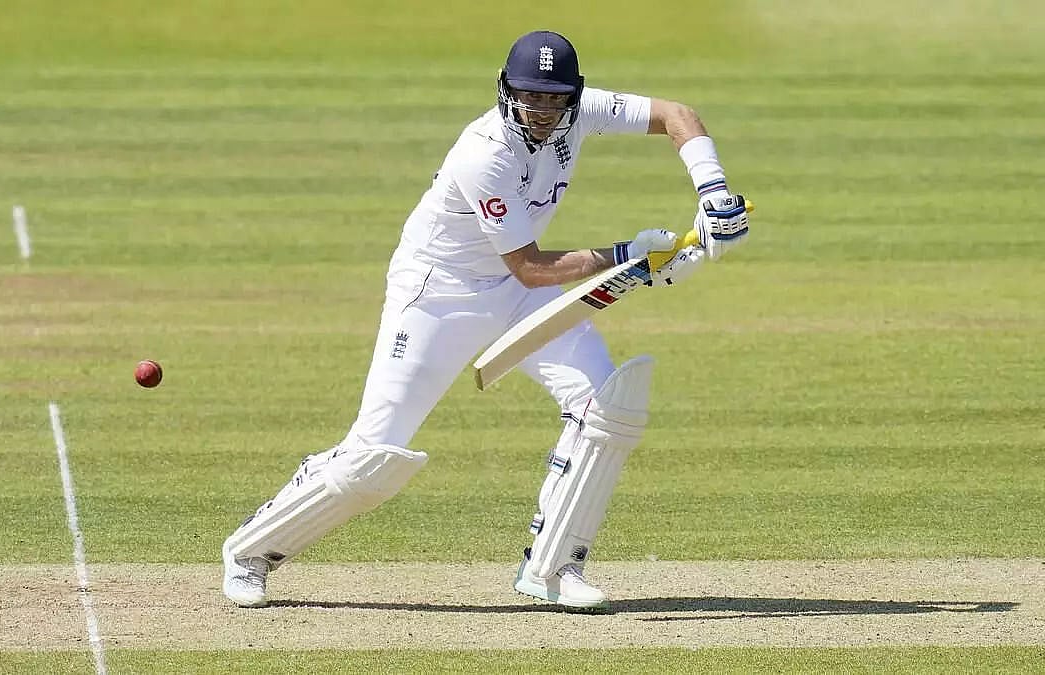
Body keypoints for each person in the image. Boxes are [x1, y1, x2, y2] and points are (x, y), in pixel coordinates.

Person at [222, 29, 750, 611]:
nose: (542, 110)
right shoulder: (485, 152)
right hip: (438, 295)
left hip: (514, 291)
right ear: (506, 91)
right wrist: (630, 255)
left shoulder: (580, 111)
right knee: (374, 455)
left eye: (554, 99)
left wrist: (715, 194)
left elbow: (679, 115)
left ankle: (552, 569)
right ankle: (250, 551)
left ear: (573, 97)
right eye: (530, 96)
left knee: (605, 408)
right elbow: (531, 267)